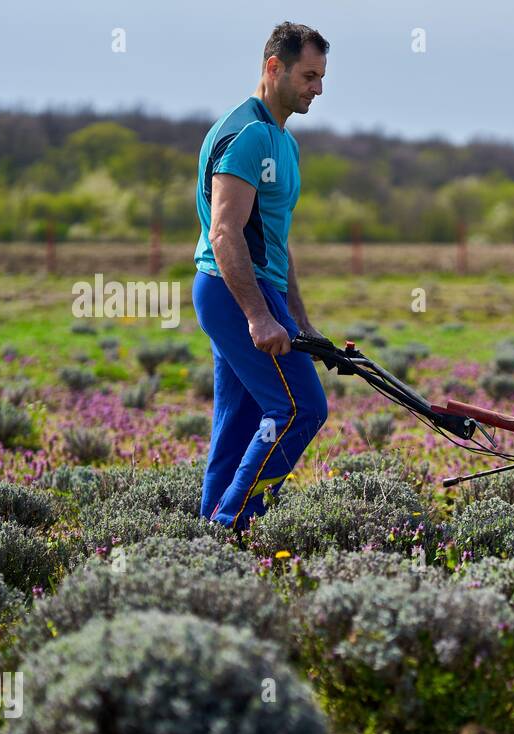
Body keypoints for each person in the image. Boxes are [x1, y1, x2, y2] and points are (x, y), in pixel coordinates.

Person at [191, 21, 330, 531]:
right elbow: (226, 234)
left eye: (321, 78)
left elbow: (276, 242)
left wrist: (299, 320)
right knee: (300, 409)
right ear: (274, 67)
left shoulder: (283, 142)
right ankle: (235, 521)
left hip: (257, 290)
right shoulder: (247, 135)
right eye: (309, 76)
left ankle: (209, 534)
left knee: (241, 423)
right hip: (233, 291)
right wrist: (256, 316)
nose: (318, 88)